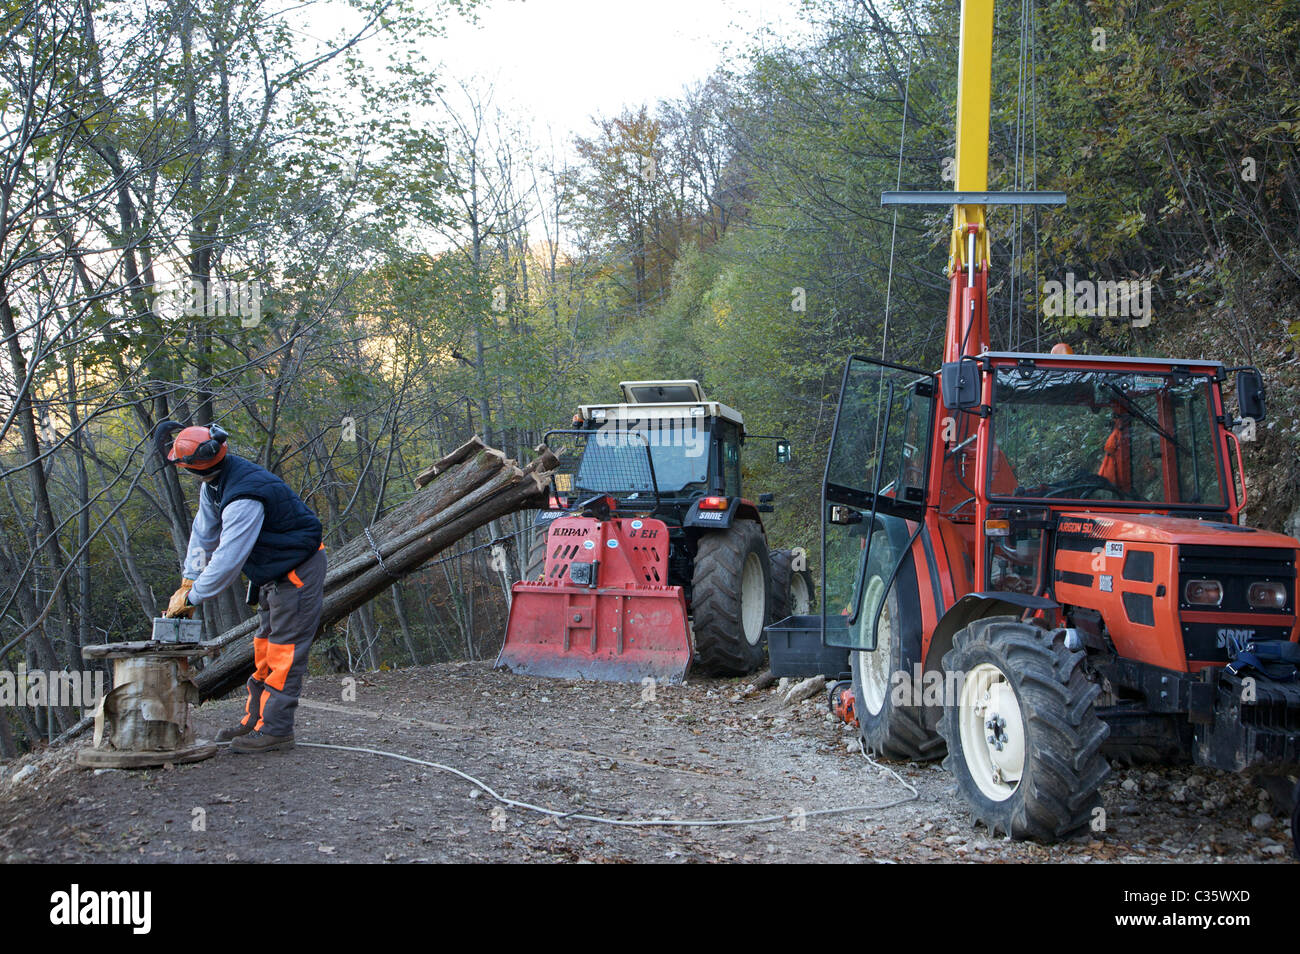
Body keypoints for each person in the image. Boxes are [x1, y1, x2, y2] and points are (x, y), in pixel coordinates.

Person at [156, 420, 325, 753]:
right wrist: (189, 578)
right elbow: (204, 535)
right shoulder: (216, 484)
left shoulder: (243, 497)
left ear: (194, 465)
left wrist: (195, 595)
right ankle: (255, 721)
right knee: (264, 647)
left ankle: (276, 730)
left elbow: (228, 559)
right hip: (272, 573)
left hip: (296, 570)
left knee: (284, 652)